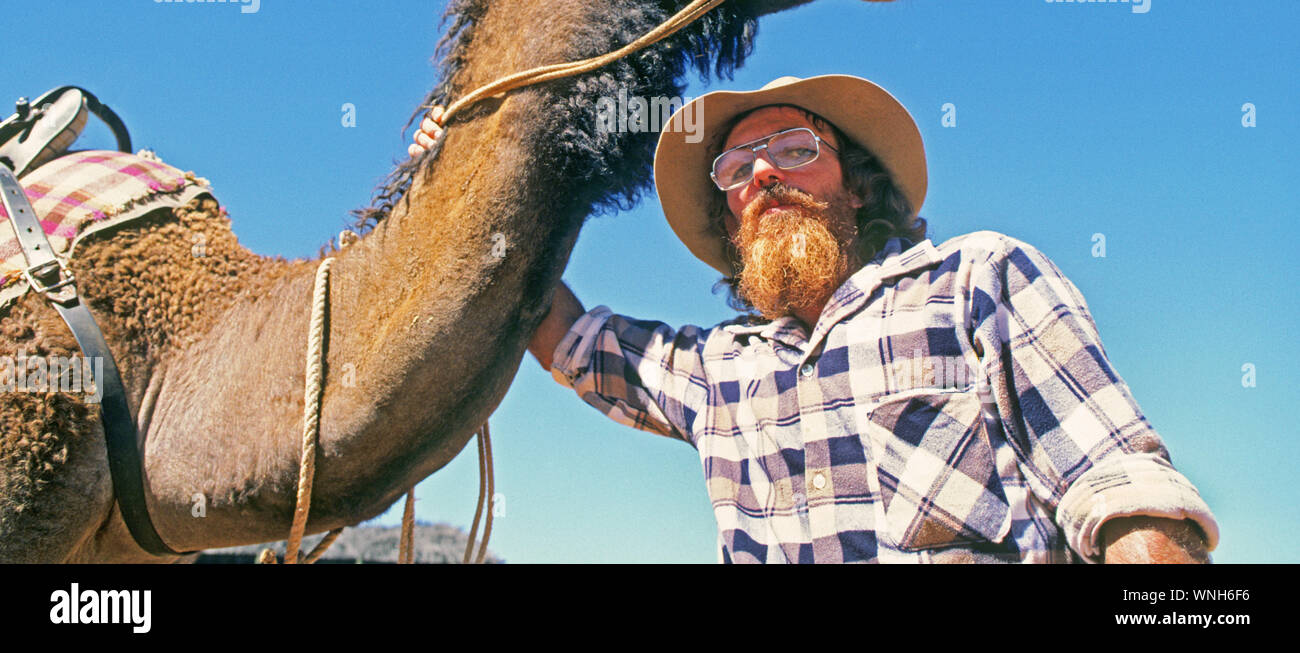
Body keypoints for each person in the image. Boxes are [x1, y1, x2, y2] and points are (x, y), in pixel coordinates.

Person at [410, 74, 1218, 564]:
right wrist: (462, 180)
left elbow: (1122, 490)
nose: (762, 172)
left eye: (794, 148)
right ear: (730, 220)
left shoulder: (977, 278)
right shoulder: (719, 371)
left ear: (858, 183)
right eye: (735, 168)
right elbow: (565, 335)